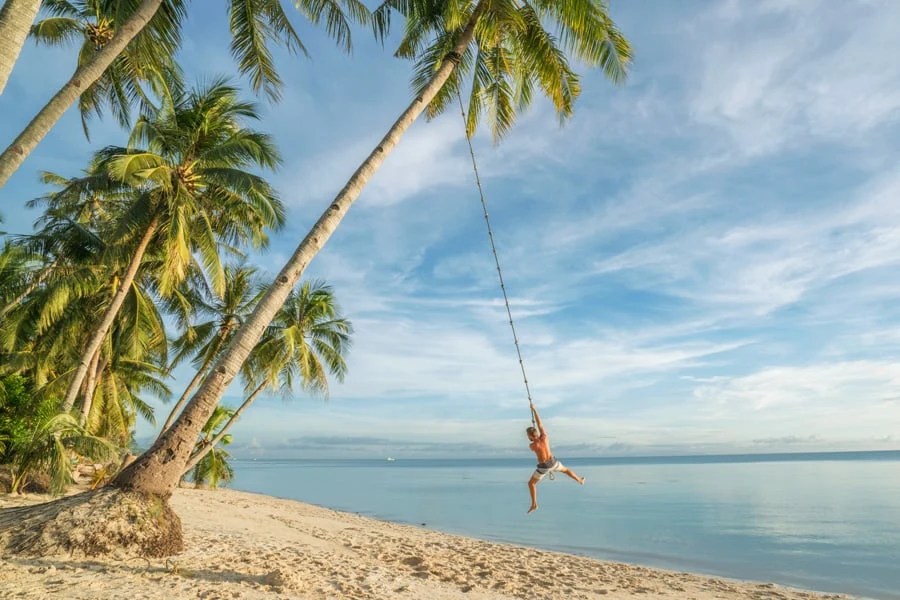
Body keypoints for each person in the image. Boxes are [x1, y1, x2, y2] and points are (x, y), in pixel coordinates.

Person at [526, 402, 584, 514]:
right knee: (566, 470)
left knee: (531, 484)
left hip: (544, 467)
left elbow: (535, 443)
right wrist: (534, 409)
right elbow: (540, 423)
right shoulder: (544, 437)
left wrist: (533, 437)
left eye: (527, 435)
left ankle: (534, 504)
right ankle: (580, 480)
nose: (527, 437)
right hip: (553, 462)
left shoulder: (532, 445)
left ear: (529, 436)